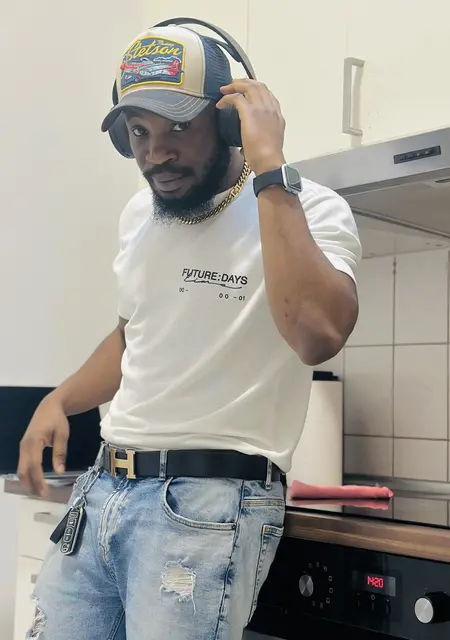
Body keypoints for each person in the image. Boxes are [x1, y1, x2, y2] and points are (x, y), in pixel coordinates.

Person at [18, 21, 361, 640]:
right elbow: (133, 335)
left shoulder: (307, 207)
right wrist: (60, 400)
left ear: (230, 123)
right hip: (102, 489)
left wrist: (269, 167)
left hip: (207, 504)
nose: (156, 153)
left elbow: (317, 334)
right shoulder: (139, 216)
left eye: (178, 128)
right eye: (139, 132)